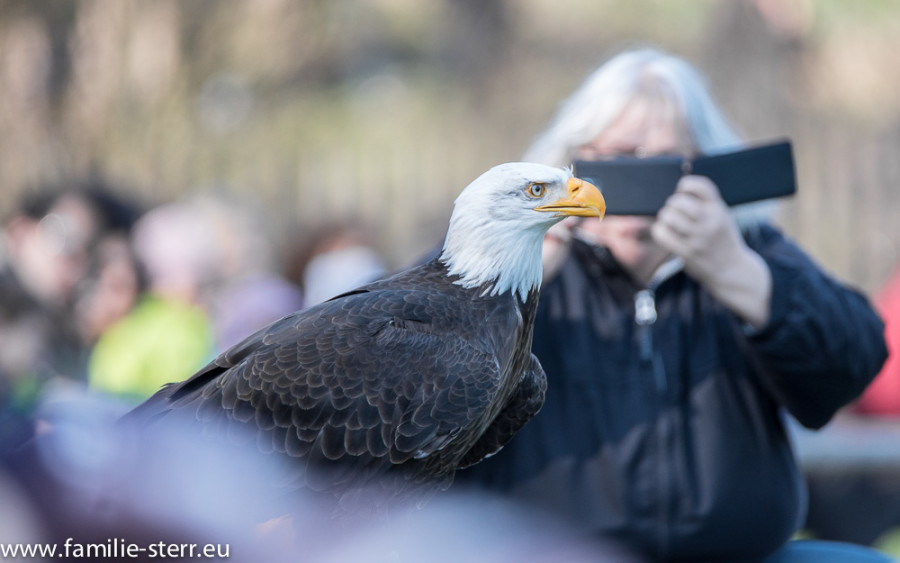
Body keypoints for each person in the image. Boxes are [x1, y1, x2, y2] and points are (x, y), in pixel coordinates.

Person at [454, 47, 888, 562]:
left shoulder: (747, 248)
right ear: (572, 161)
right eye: (619, 157)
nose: (643, 180)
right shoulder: (503, 255)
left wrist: (739, 273)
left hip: (737, 554)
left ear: (706, 168)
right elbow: (389, 355)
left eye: (668, 160)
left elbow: (856, 362)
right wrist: (506, 291)